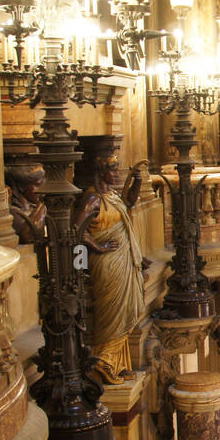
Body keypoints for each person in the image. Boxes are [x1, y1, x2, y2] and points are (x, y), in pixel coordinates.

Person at [72, 154, 147, 384]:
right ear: (101, 170)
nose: (116, 174)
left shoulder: (111, 196)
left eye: (117, 169)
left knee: (124, 311)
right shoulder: (92, 199)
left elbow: (130, 203)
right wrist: (98, 245)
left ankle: (117, 363)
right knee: (111, 311)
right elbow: (75, 227)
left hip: (123, 260)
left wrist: (138, 182)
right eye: (113, 169)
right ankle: (102, 361)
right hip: (106, 264)